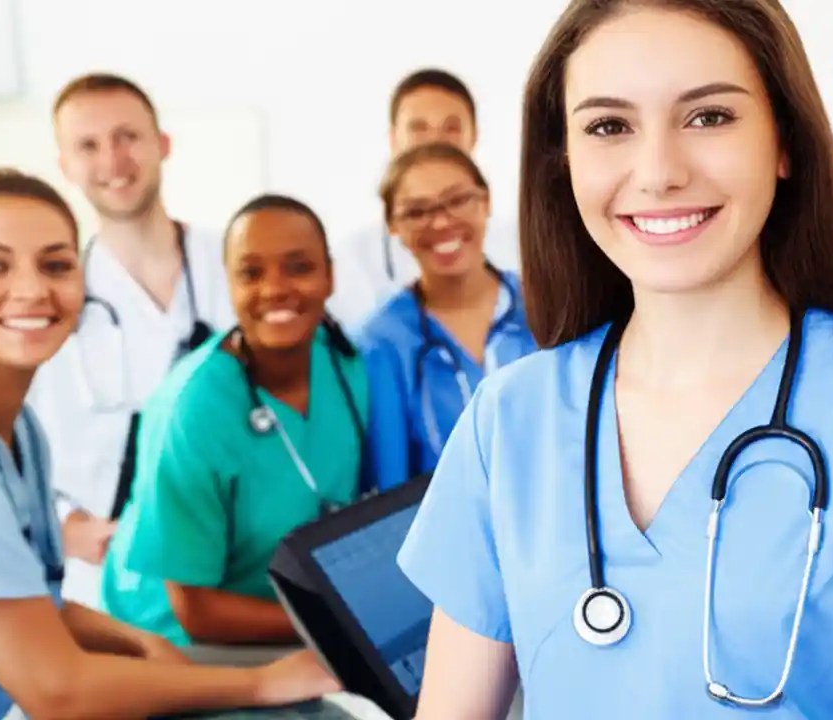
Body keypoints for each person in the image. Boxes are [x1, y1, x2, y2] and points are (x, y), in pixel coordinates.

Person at [395, 1, 833, 718]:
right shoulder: (508, 422)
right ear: (564, 160)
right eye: (609, 126)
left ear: (785, 141)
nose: (659, 172)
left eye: (708, 117)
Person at [0, 168, 337, 719]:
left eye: (56, 264)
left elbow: (34, 607)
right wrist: (257, 685)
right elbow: (57, 692)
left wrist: (140, 645)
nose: (32, 289)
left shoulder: (15, 430)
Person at [100, 194, 368, 647]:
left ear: (331, 275)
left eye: (299, 267)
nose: (275, 289)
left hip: (298, 615)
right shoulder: (190, 411)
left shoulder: (345, 366)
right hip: (175, 638)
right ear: (228, 283)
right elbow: (196, 611)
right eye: (251, 272)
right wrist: (342, 623)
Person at [25, 72, 235, 609]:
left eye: (128, 137)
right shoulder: (44, 298)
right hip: (108, 584)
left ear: (163, 144)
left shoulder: (239, 264)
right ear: (65, 166)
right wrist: (62, 526)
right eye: (88, 145)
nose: (112, 160)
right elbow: (3, 444)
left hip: (233, 570)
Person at [356, 143, 536, 493]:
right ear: (393, 225)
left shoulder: (549, 305)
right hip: (449, 541)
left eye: (457, 200)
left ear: (486, 202)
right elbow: (391, 491)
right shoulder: (382, 342)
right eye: (417, 211)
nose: (440, 221)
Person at [329, 68, 520, 330]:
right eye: (418, 129)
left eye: (451, 128)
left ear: (474, 136)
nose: (435, 142)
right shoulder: (353, 261)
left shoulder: (520, 246)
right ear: (393, 139)